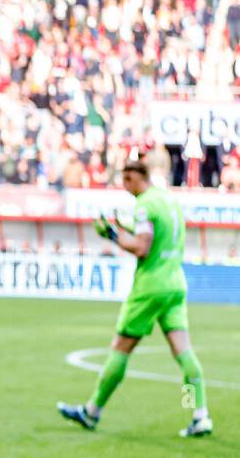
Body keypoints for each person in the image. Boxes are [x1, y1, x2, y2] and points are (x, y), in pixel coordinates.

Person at [59, 160, 211, 437]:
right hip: (175, 283)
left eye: (125, 180)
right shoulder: (168, 201)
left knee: (121, 348)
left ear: (134, 177)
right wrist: (125, 226)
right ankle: (199, 414)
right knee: (184, 354)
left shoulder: (145, 205)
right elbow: (156, 235)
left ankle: (92, 411)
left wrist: (113, 234)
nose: (124, 186)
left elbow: (142, 247)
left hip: (150, 286)